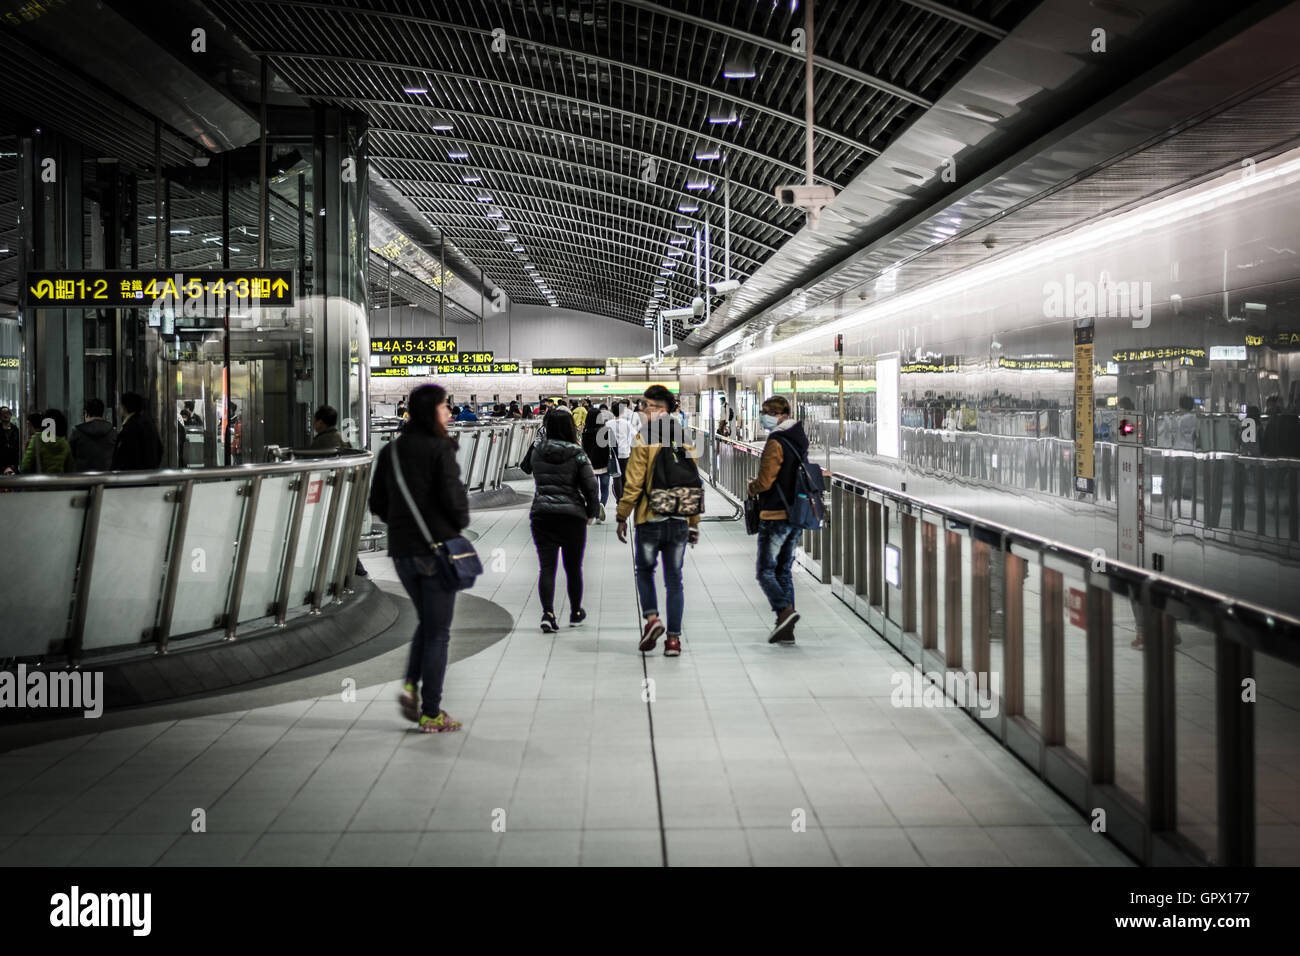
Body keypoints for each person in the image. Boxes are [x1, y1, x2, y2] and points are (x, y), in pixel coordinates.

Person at [369, 384, 469, 733]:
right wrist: (452, 526)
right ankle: (431, 711)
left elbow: (377, 504)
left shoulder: (391, 451)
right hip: (436, 550)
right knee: (439, 632)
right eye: (444, 407)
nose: (448, 412)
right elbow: (457, 505)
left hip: (402, 552)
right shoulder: (441, 449)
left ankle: (411, 685)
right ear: (432, 411)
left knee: (427, 622)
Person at [616, 384, 700, 657]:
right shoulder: (684, 436)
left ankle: (652, 619)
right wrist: (693, 521)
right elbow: (692, 482)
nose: (641, 410)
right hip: (678, 519)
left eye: (645, 405)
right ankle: (674, 641)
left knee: (645, 571)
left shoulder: (644, 438)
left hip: (650, 517)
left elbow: (634, 481)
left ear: (659, 409)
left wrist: (622, 515)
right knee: (674, 579)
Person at [520, 406, 599, 631]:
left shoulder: (537, 451)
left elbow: (530, 471)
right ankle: (575, 611)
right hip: (572, 515)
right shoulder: (577, 453)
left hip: (542, 514)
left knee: (547, 567)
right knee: (573, 567)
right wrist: (592, 512)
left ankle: (548, 613)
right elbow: (591, 486)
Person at [747, 395, 809, 645]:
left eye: (767, 412)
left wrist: (752, 488)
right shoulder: (798, 436)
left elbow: (766, 480)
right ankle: (786, 629)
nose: (764, 417)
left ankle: (784, 611)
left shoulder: (776, 441)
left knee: (765, 571)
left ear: (781, 414)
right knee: (784, 570)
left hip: (775, 513)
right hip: (795, 512)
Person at [112, 392, 164, 471]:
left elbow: (121, 456)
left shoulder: (129, 427)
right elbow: (160, 449)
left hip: (132, 477)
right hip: (150, 476)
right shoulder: (150, 424)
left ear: (124, 407)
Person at [581, 404, 613, 522]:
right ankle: (602, 505)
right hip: (604, 465)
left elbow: (584, 449)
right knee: (605, 489)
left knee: (594, 491)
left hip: (590, 467)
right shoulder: (605, 431)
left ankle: (595, 514)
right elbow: (610, 447)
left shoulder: (585, 432)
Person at [69, 397, 117, 471]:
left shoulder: (77, 432)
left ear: (86, 414)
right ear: (102, 413)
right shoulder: (112, 432)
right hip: (106, 477)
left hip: (82, 477)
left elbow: (71, 456)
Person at [19, 409, 72, 474]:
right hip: (59, 482)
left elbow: (25, 468)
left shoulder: (37, 439)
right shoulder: (64, 443)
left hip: (40, 482)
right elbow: (70, 469)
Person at [609, 400, 635, 499]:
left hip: (613, 454)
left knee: (616, 476)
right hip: (625, 453)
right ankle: (624, 497)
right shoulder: (627, 424)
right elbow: (634, 436)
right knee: (624, 475)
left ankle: (618, 498)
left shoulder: (608, 424)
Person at [0, 406, 21, 474]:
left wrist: (13, 466)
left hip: (14, 465)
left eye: (7, 413)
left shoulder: (15, 430)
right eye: (3, 413)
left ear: (10, 415)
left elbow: (18, 447)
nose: (5, 415)